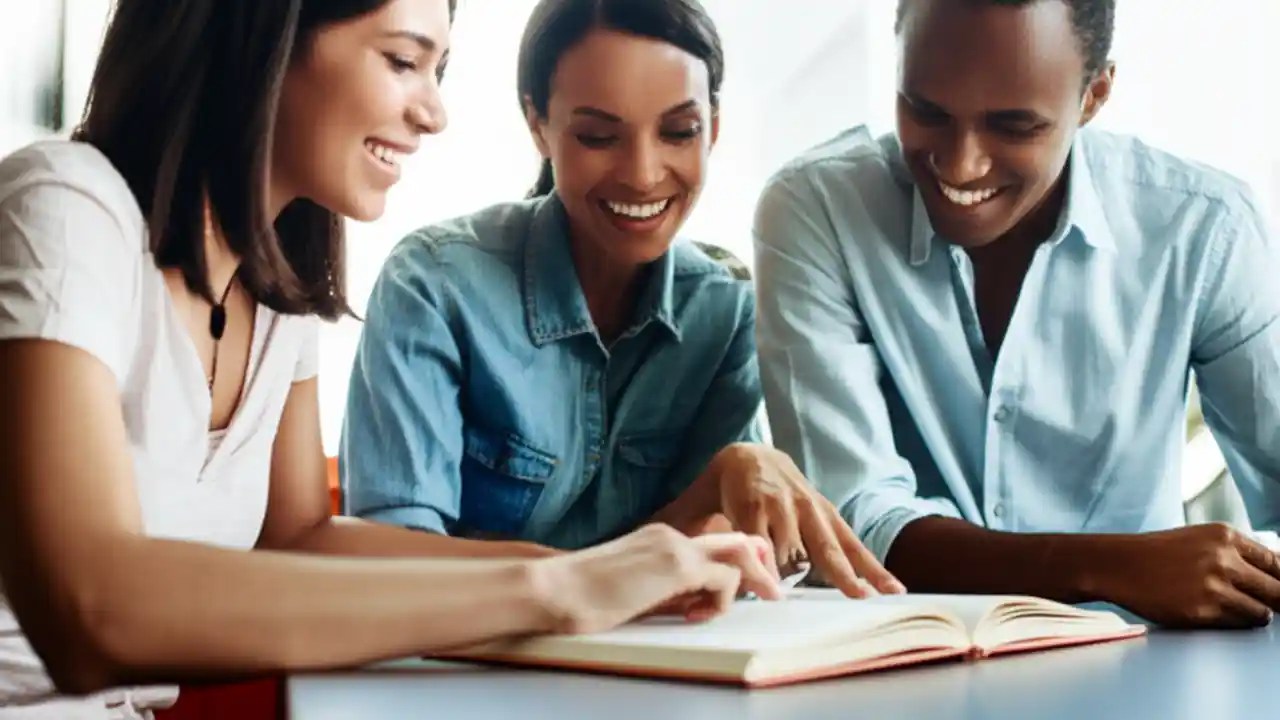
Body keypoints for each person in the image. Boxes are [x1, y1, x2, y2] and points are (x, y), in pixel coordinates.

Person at [0, 1, 782, 716]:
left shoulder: (278, 287)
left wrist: (622, 578)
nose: (433, 112)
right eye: (403, 62)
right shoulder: (66, 206)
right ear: (268, 37)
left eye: (437, 72)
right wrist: (552, 586)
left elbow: (301, 538)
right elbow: (88, 608)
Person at [341, 0, 902, 597]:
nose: (642, 173)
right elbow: (394, 564)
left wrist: (721, 485)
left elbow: (701, 561)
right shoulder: (434, 286)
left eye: (679, 132)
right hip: (459, 672)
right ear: (538, 125)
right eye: (599, 136)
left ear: (713, 127)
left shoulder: (724, 309)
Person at [754, 0, 1280, 629]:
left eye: (1013, 126)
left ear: (1094, 95)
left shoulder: (1201, 229)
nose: (961, 163)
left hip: (1144, 674)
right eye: (926, 112)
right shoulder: (819, 212)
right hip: (894, 676)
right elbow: (848, 521)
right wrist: (1111, 568)